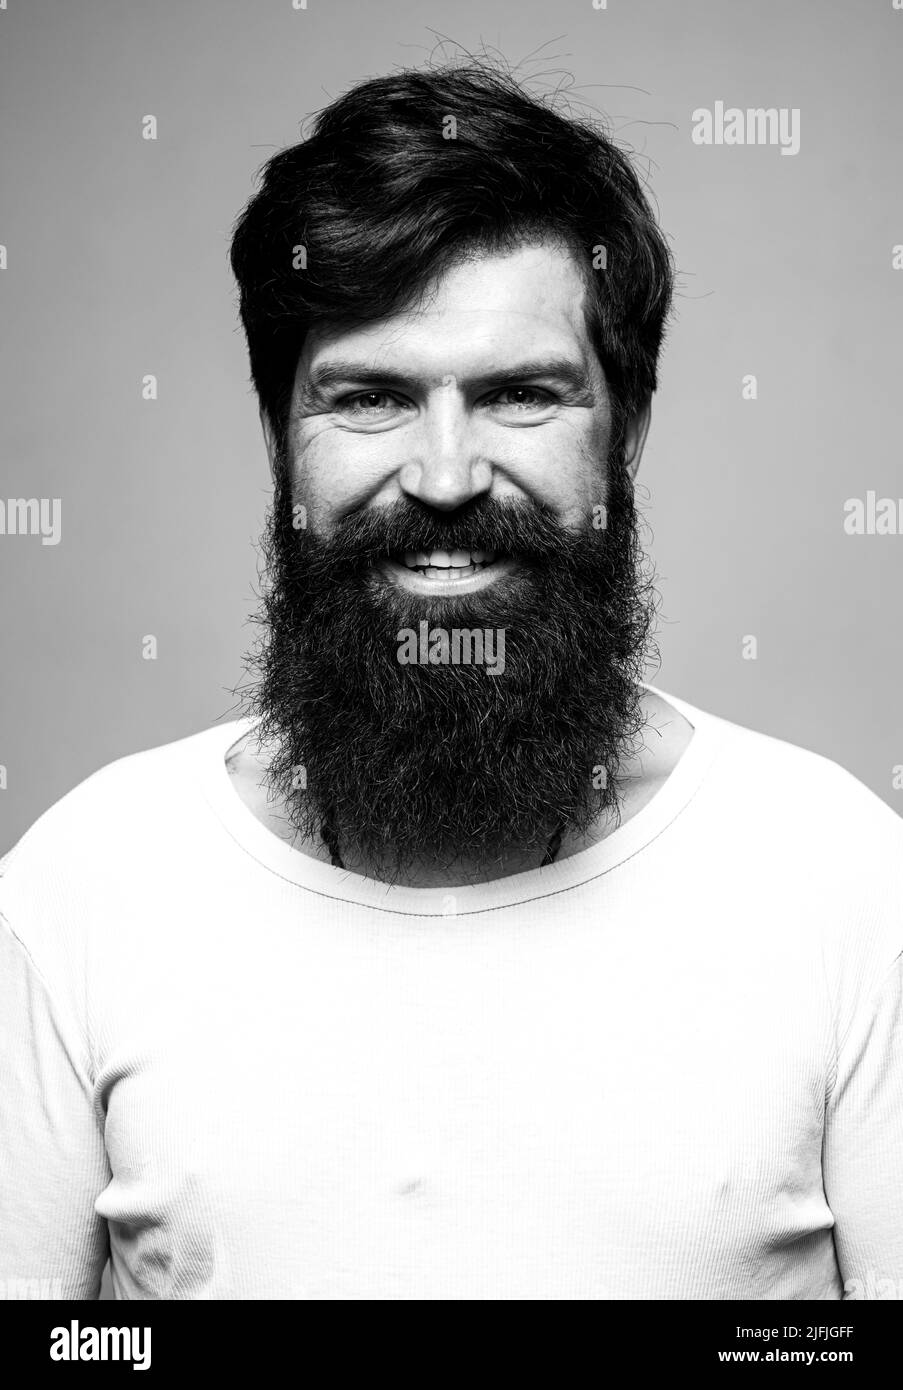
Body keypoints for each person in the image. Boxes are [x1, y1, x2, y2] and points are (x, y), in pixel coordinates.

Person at [1, 62, 901, 1301]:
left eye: (521, 394)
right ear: (280, 437)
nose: (443, 474)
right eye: (368, 397)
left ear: (623, 434)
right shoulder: (79, 888)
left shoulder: (846, 882)